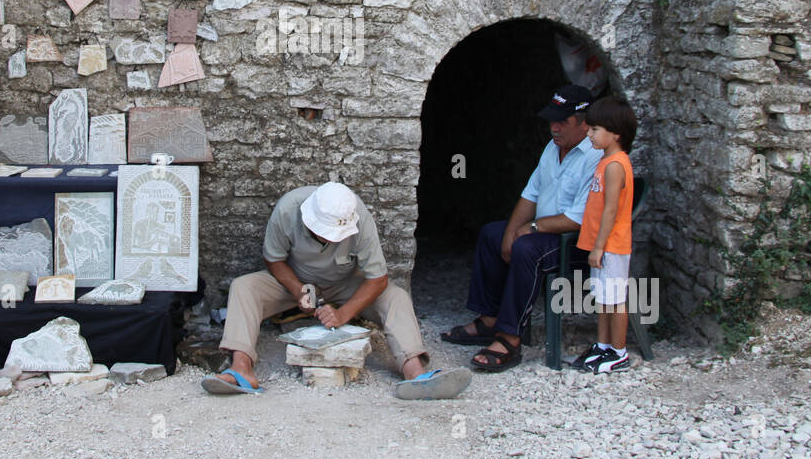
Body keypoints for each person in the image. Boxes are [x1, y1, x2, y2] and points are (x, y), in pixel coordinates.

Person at [203, 181, 471, 399]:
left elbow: (377, 278)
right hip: (296, 281)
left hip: (345, 284)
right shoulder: (288, 209)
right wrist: (297, 290)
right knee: (243, 287)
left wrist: (343, 314)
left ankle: (414, 372)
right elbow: (273, 259)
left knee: (396, 296)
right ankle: (241, 369)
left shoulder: (359, 216)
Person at [441, 84, 602, 372]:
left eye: (562, 121)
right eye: (552, 120)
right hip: (545, 231)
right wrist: (511, 232)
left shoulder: (594, 156)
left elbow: (579, 219)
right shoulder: (552, 148)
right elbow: (531, 194)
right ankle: (490, 319)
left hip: (574, 242)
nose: (554, 127)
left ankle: (510, 338)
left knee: (527, 248)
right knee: (493, 234)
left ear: (584, 123)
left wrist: (532, 227)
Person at [572, 96, 638, 374]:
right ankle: (603, 345)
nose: (589, 134)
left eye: (595, 130)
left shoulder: (615, 165)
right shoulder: (605, 160)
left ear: (616, 133)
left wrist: (598, 247)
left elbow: (611, 210)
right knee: (603, 298)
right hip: (602, 245)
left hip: (611, 246)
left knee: (615, 299)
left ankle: (620, 351)